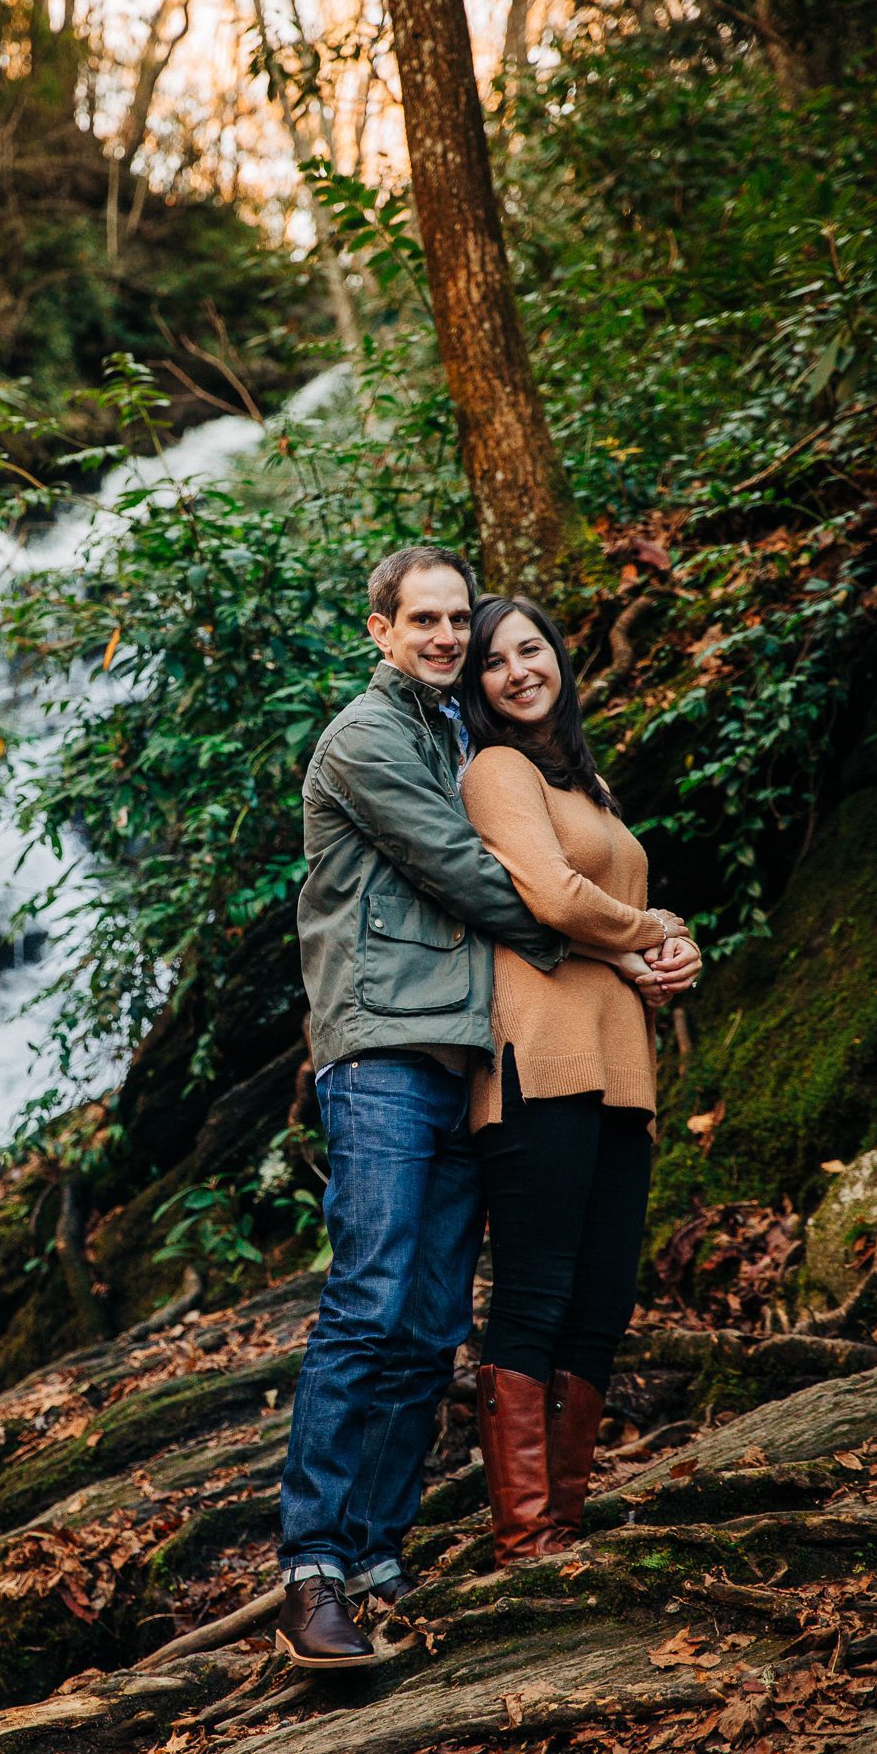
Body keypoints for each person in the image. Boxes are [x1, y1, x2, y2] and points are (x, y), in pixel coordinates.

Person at [275, 544, 592, 1670]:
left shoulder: (457, 730)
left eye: (458, 617)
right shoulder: (366, 738)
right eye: (424, 620)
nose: (448, 636)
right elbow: (460, 866)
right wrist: (603, 941)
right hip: (380, 1053)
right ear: (380, 629)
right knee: (369, 1300)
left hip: (462, 1058)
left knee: (428, 1321)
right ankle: (311, 1567)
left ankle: (374, 1552)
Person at [458, 592, 701, 1566]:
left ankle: (564, 1521)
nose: (518, 670)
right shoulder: (497, 770)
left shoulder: (585, 780)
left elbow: (613, 904)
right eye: (493, 660)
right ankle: (524, 1537)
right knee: (535, 1290)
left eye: (531, 650)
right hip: (539, 1052)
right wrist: (655, 933)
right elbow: (554, 896)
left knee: (601, 1297)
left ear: (558, 657)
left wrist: (671, 942)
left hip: (619, 1063)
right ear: (475, 685)